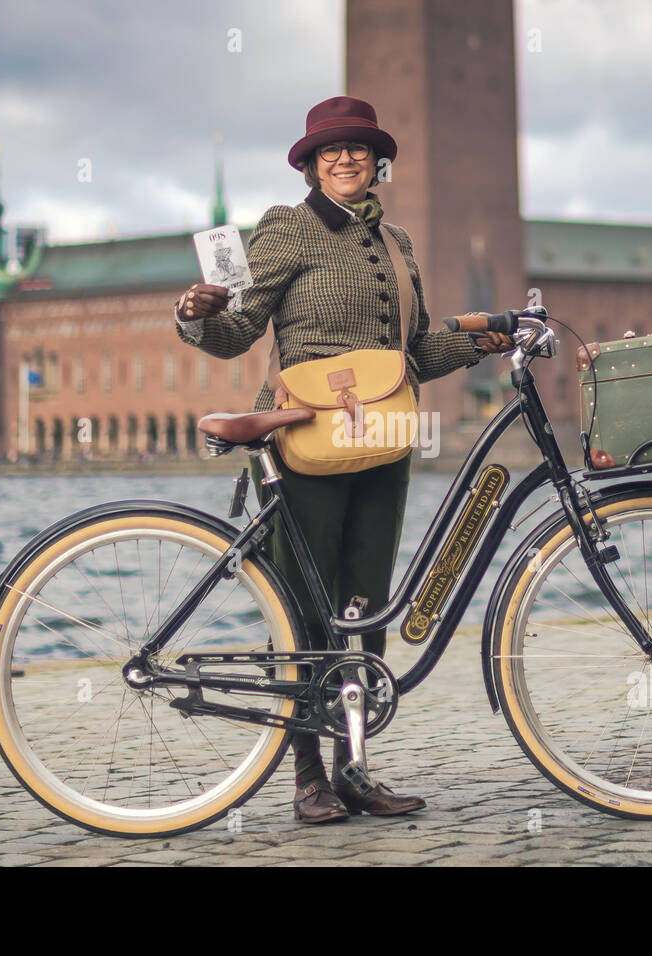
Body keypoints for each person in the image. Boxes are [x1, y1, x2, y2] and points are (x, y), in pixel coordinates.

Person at [174, 95, 512, 823]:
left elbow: (413, 353)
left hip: (380, 438)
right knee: (305, 606)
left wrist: (481, 341)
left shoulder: (398, 243)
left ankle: (353, 769)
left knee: (367, 603)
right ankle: (307, 779)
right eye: (331, 150)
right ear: (312, 165)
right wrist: (196, 316)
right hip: (303, 438)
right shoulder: (286, 228)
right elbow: (239, 332)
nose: (347, 159)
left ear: (377, 161)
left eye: (359, 148)